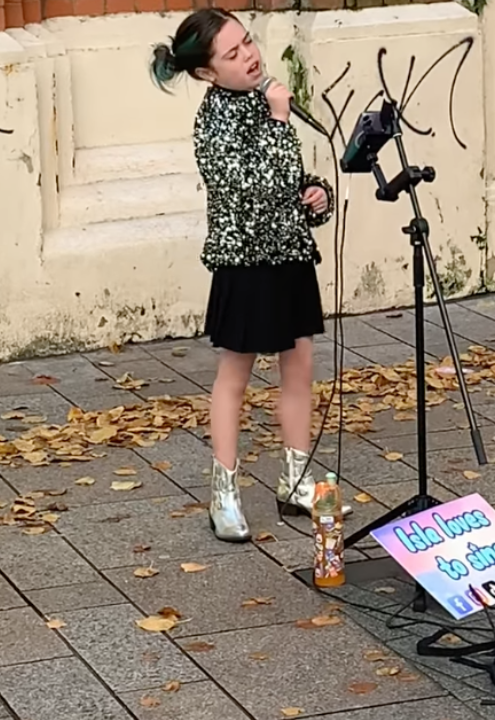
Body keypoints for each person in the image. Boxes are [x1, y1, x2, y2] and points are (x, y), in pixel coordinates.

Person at [150, 9, 351, 543]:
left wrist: (315, 197)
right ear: (206, 73)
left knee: (300, 363)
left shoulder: (265, 99)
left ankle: (295, 477)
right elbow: (256, 187)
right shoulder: (215, 120)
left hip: (287, 252)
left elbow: (286, 182)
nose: (250, 57)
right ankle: (225, 492)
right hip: (245, 261)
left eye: (248, 43)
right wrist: (281, 122)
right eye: (233, 54)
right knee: (234, 375)